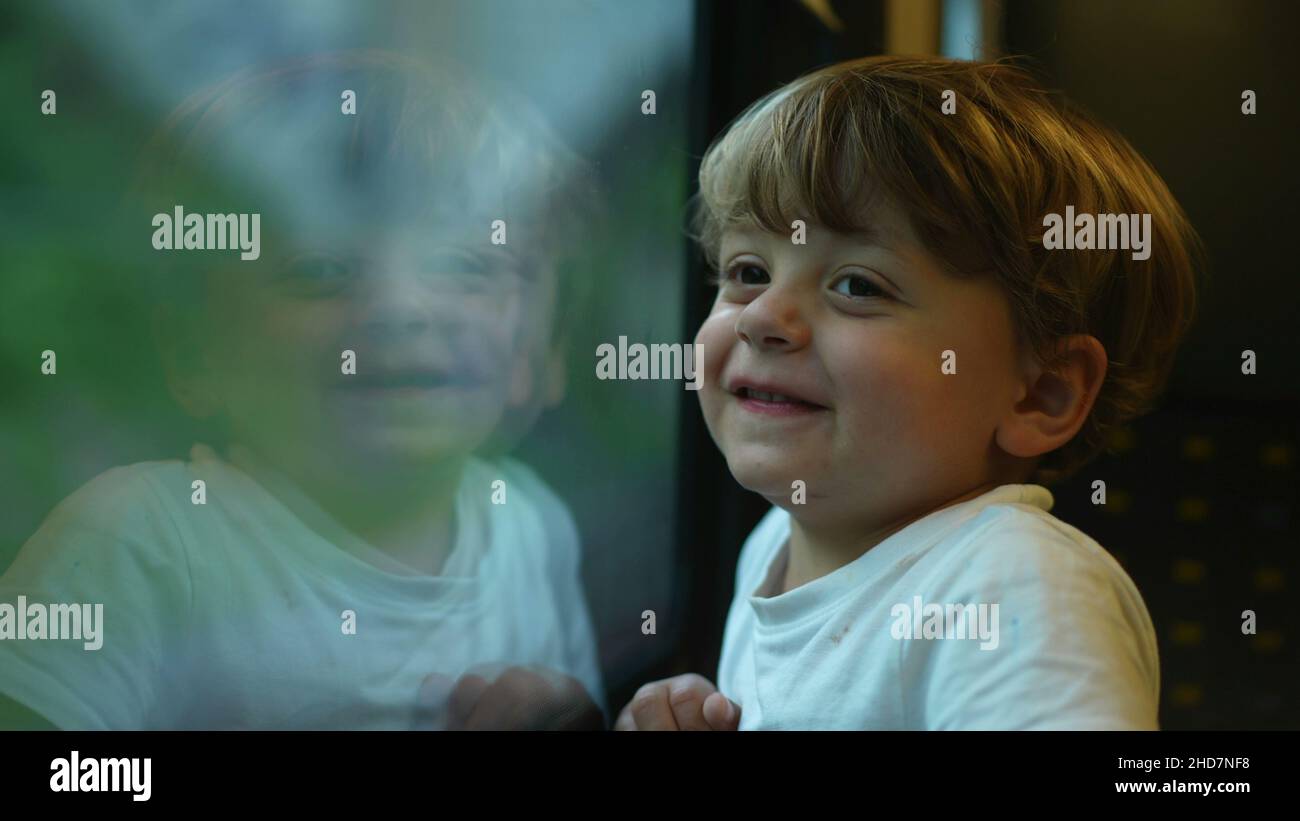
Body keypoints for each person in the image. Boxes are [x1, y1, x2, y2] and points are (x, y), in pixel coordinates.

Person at [0, 51, 605, 730]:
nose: (400, 305)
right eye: (320, 269)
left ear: (544, 352)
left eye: (466, 265)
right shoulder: (139, 547)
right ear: (197, 351)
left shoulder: (532, 529)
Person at [617, 55, 1202, 730]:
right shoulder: (776, 539)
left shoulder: (1014, 584)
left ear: (1039, 393)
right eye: (747, 270)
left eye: (858, 285)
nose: (760, 317)